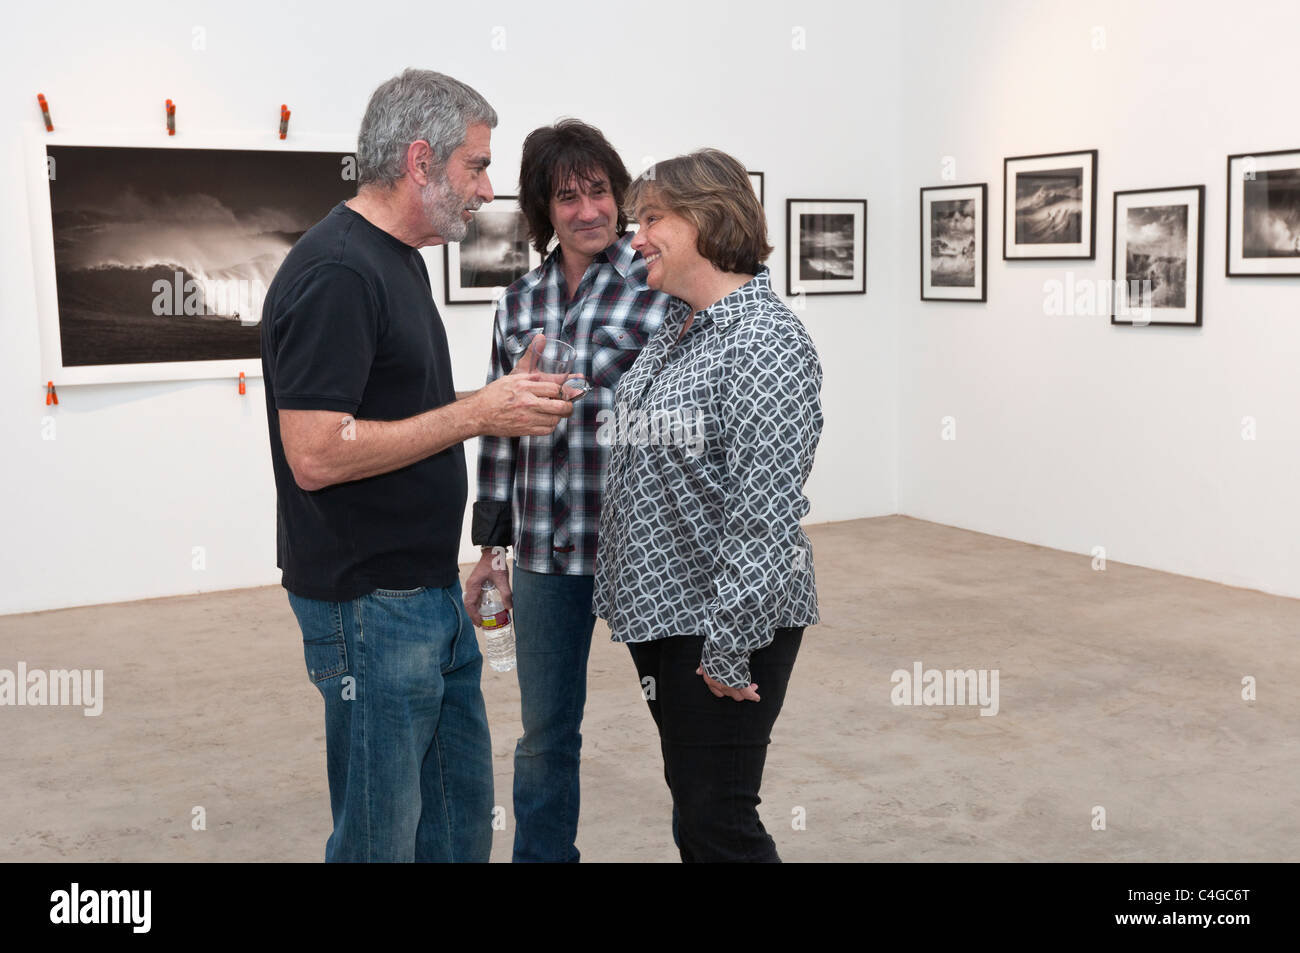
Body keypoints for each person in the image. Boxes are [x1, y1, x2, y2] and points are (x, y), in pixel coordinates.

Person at [260, 69, 576, 863]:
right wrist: (481, 411)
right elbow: (316, 453)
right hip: (371, 605)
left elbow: (395, 413)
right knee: (379, 837)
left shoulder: (395, 258)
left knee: (458, 825)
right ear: (420, 160)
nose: (488, 187)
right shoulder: (337, 270)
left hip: (424, 591)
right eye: (476, 166)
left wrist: (499, 400)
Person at [592, 148, 823, 863]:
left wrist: (729, 643)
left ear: (708, 216)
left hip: (722, 621)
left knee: (719, 822)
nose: (635, 238)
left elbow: (764, 512)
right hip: (666, 615)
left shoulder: (765, 343)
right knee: (697, 809)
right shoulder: (680, 327)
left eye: (652, 219)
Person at [465, 119, 672, 862]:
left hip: (647, 552)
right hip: (548, 556)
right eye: (567, 196)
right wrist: (490, 547)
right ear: (543, 211)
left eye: (599, 191)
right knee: (545, 734)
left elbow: (671, 411)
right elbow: (496, 431)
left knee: (684, 732)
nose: (588, 209)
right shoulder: (517, 302)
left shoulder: (661, 287)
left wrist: (575, 386)